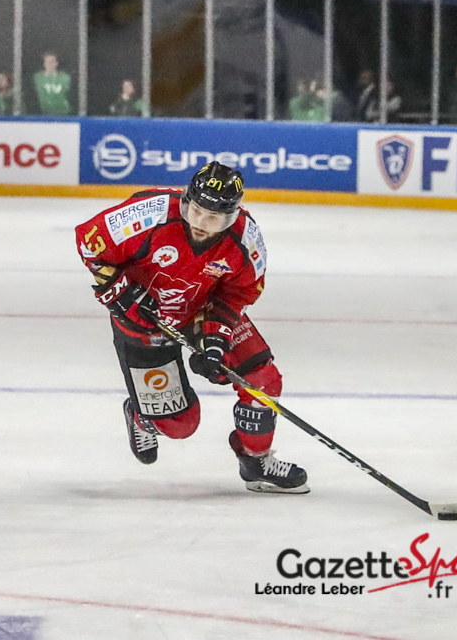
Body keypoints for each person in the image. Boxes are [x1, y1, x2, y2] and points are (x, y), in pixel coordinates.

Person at [76, 162, 308, 494]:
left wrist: (215, 338)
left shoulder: (246, 241)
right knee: (181, 425)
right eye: (196, 211)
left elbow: (238, 293)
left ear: (230, 216)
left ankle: (255, 459)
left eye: (213, 218)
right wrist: (121, 292)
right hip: (141, 325)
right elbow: (89, 242)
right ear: (187, 199)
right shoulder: (149, 214)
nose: (200, 223)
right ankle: (142, 416)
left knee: (262, 378)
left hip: (199, 310)